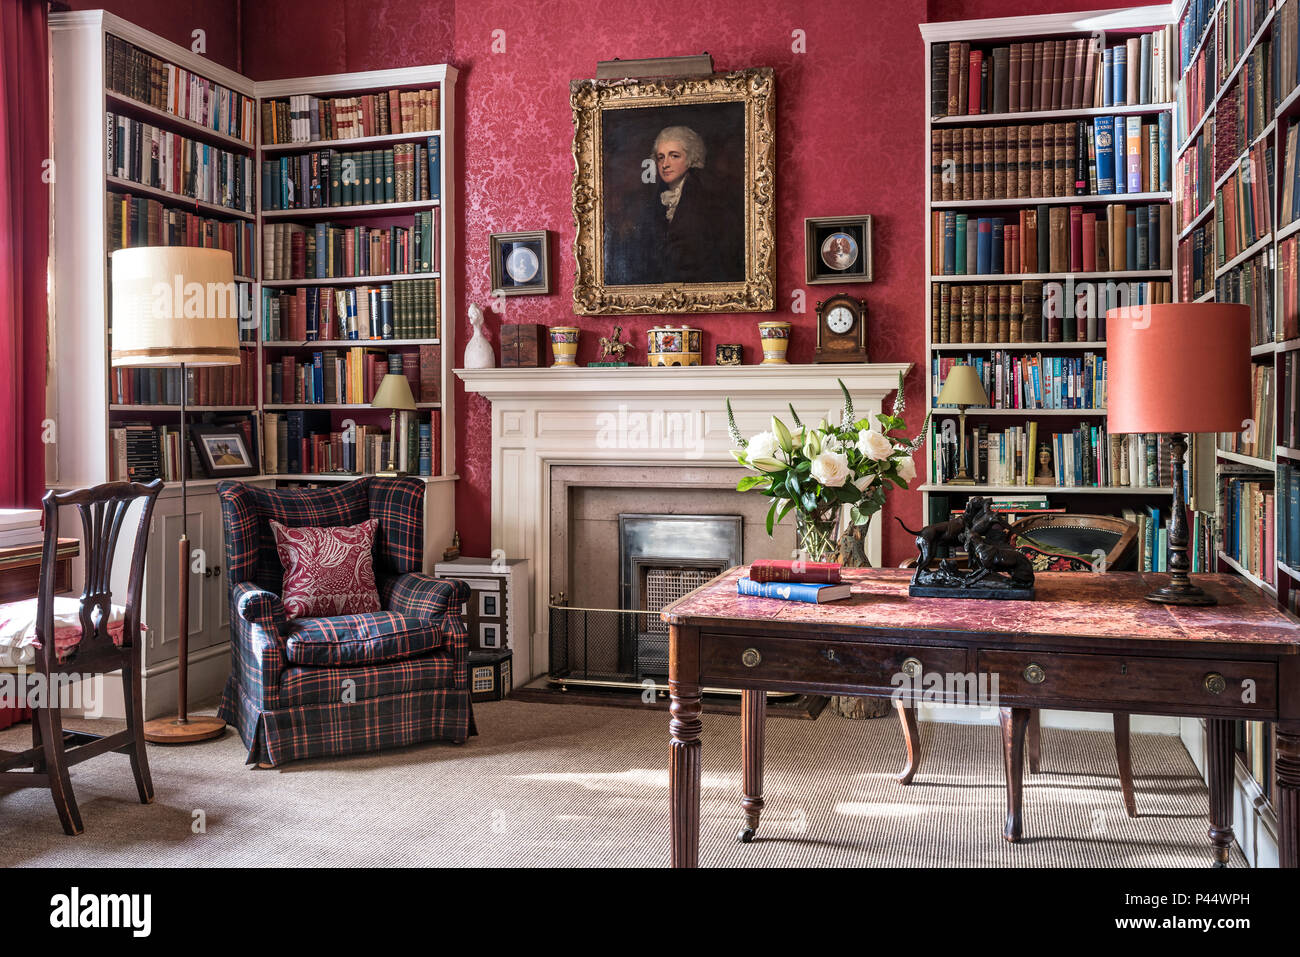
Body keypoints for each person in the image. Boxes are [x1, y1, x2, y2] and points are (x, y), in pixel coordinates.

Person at [615, 125, 743, 285]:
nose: (665, 164)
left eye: (674, 156)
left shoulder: (708, 202)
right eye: (660, 157)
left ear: (690, 159)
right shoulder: (654, 201)